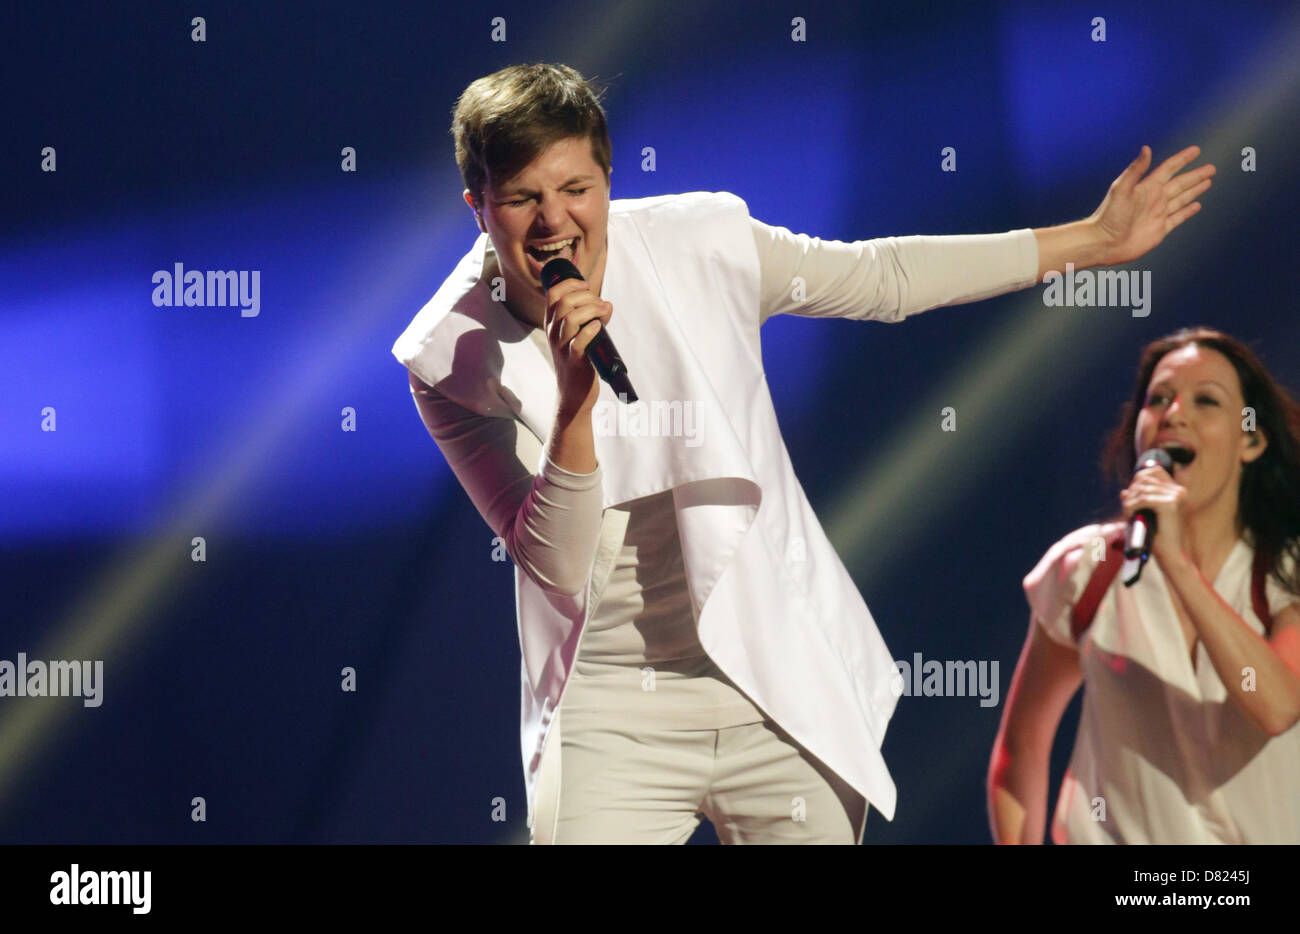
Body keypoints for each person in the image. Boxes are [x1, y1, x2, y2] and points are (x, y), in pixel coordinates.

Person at [391, 62, 1215, 844]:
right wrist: (575, 409)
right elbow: (557, 565)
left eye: (578, 188)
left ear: (609, 181)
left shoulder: (700, 240)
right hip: (611, 704)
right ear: (478, 204)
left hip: (766, 667)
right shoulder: (447, 358)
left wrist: (1093, 239)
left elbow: (882, 278)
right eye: (523, 199)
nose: (556, 222)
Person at [988, 327, 1300, 844]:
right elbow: (1023, 745)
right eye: (1158, 400)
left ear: (1252, 440)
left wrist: (1176, 563)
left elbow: (1276, 705)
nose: (1175, 414)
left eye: (1206, 401)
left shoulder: (1284, 569)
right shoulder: (1089, 567)